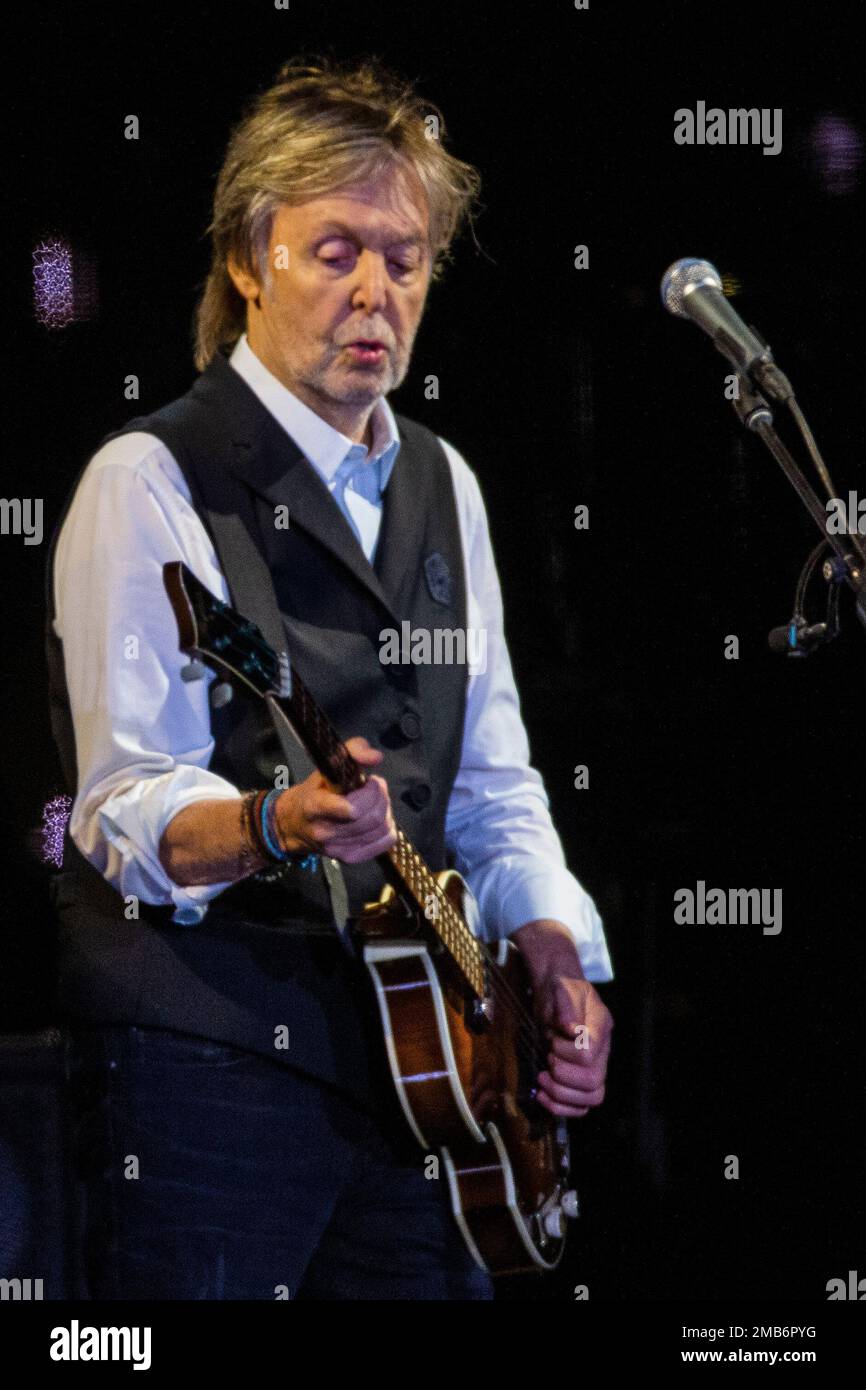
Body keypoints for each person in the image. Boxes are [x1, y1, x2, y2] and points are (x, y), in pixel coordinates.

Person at [46, 56, 614, 1301]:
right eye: (335, 251)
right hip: (213, 1069)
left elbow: (491, 778)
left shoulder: (443, 486)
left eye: (403, 260)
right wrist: (267, 824)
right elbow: (120, 805)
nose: (375, 292)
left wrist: (554, 950)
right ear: (249, 259)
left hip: (429, 1086)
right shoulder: (146, 481)